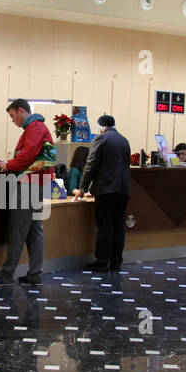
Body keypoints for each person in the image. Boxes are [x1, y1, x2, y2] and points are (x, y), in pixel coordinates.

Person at [0, 98, 54, 287]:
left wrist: (9, 164)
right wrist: (10, 163)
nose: (13, 120)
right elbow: (34, 156)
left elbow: (28, 154)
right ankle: (35, 274)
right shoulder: (38, 128)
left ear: (21, 110)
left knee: (18, 229)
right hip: (38, 182)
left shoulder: (35, 127)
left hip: (29, 183)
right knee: (34, 230)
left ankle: (6, 276)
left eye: (13, 116)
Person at [73, 114, 131, 271]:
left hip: (106, 189)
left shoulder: (101, 139)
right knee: (118, 226)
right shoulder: (124, 140)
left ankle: (102, 261)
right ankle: (116, 261)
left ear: (100, 126)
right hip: (123, 189)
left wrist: (82, 188)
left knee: (104, 226)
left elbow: (91, 165)